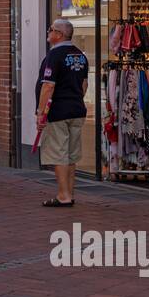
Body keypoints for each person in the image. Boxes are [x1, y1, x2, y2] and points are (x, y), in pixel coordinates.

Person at [35, 19, 89, 208]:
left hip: (58, 111)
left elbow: (48, 86)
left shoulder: (54, 55)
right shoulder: (80, 56)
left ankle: (63, 195)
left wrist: (40, 113)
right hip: (77, 110)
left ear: (59, 34)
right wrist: (75, 99)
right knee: (71, 155)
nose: (48, 33)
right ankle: (70, 193)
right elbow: (84, 84)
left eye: (50, 30)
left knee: (58, 153)